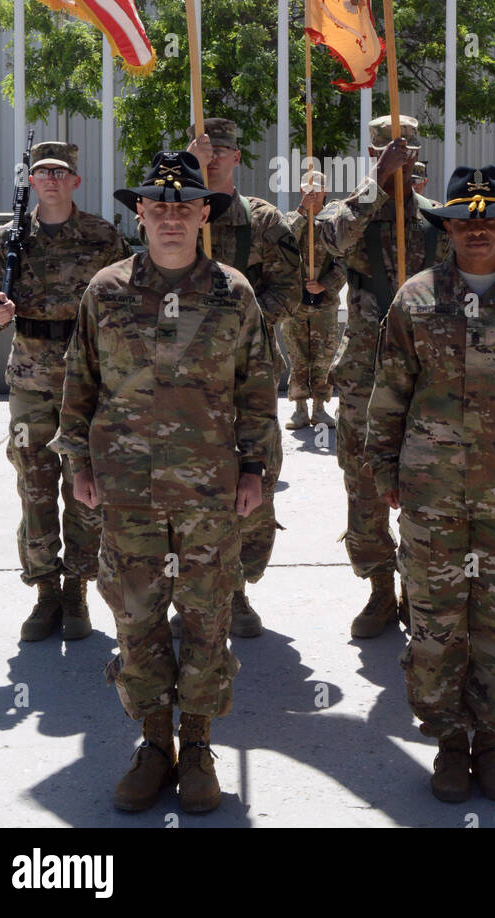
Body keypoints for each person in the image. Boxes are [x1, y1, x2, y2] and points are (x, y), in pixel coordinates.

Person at [51, 150, 277, 813]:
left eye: (184, 206)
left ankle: (199, 744)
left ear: (205, 214)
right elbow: (80, 383)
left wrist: (257, 469)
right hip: (127, 488)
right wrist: (78, 463)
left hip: (210, 488)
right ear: (140, 215)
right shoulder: (106, 291)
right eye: (158, 206)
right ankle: (154, 743)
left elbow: (258, 388)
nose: (171, 217)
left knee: (206, 618)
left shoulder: (233, 293)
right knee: (136, 617)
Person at [365, 166, 495, 802]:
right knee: (435, 622)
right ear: (448, 227)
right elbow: (390, 390)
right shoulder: (416, 298)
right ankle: (448, 742)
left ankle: (491, 739)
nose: (478, 228)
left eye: (489, 218)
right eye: (465, 219)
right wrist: (384, 468)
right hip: (430, 492)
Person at [0, 142, 129, 643]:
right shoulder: (10, 237)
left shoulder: (102, 236)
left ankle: (77, 588)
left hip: (87, 378)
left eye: (60, 172)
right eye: (42, 171)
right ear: (31, 180)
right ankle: (44, 590)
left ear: (75, 181)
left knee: (85, 487)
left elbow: (126, 300)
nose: (51, 179)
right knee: (34, 486)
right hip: (30, 379)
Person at [318, 115, 450, 638]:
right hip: (364, 375)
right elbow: (328, 239)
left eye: (406, 152)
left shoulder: (436, 219)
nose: (400, 159)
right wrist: (374, 183)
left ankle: (418, 587)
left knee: (425, 484)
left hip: (426, 375)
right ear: (373, 155)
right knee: (364, 482)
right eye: (387, 152)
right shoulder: (351, 212)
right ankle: (377, 586)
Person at [187, 119, 301, 636]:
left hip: (247, 372)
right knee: (187, 485)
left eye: (222, 150)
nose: (213, 157)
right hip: (183, 378)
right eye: (203, 149)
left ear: (237, 157)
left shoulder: (262, 220)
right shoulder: (177, 212)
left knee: (254, 481)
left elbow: (289, 288)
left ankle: (236, 589)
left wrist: (242, 321)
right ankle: (192, 593)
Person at [280, 171, 346, 431]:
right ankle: (299, 409)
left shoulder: (333, 222)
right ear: (301, 191)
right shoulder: (291, 218)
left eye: (317, 189)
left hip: (324, 301)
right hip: (296, 301)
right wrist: (302, 211)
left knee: (323, 356)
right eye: (308, 190)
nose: (313, 194)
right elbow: (282, 243)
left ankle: (320, 407)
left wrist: (324, 284)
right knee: (297, 355)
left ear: (325, 191)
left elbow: (345, 260)